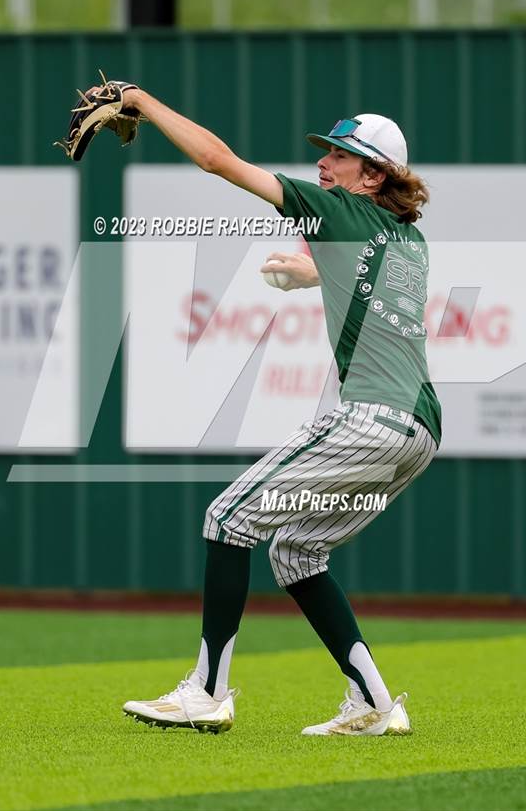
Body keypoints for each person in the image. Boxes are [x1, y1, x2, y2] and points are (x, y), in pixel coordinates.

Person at [116, 90, 442, 736]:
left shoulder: (338, 208)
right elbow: (364, 269)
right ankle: (375, 702)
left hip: (371, 419)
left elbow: (218, 160)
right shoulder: (407, 238)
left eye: (341, 155)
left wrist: (141, 101)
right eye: (325, 152)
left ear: (372, 176)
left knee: (228, 517)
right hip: (421, 431)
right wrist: (309, 269)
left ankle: (206, 691)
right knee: (296, 551)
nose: (324, 163)